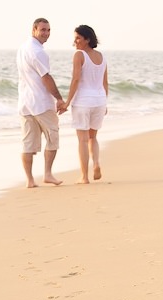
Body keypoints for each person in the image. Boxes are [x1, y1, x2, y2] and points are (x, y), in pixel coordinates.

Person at [16, 18, 68, 188]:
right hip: (40, 103)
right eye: (43, 30)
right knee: (53, 136)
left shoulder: (23, 48)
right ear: (34, 29)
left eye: (48, 30)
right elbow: (45, 77)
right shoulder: (38, 52)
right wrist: (59, 99)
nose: (46, 33)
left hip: (25, 102)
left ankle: (30, 180)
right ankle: (47, 174)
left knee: (28, 143)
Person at [63, 24, 108, 184]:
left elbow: (75, 80)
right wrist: (106, 103)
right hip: (99, 101)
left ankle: (84, 177)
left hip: (83, 101)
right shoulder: (101, 56)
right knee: (93, 137)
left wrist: (67, 102)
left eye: (78, 38)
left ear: (87, 39)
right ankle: (96, 163)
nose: (74, 41)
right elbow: (105, 83)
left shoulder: (79, 55)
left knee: (82, 139)